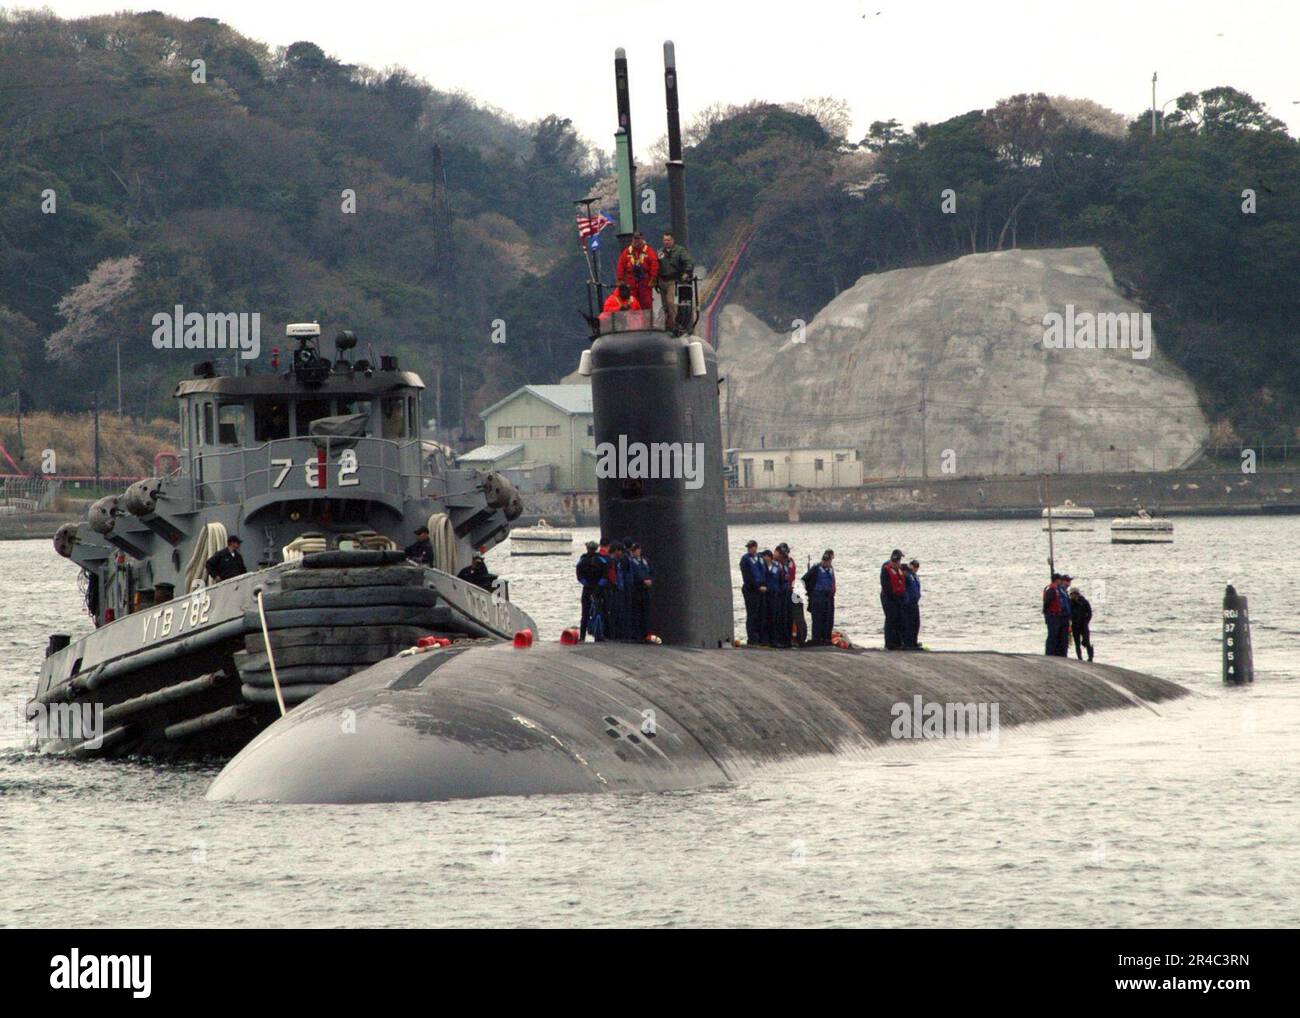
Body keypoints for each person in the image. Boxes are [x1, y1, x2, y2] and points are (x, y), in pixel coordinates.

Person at [657, 230, 695, 330]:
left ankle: (674, 324)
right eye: (664, 240)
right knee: (665, 305)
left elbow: (689, 262)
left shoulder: (680, 251)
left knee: (671, 302)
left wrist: (686, 273)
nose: (666, 242)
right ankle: (668, 323)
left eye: (668, 240)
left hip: (673, 280)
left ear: (673, 240)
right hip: (662, 281)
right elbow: (655, 265)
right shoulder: (660, 252)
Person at [616, 231, 659, 312]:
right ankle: (634, 323)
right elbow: (621, 265)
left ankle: (647, 322)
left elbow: (654, 264)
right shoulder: (627, 251)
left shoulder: (649, 250)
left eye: (638, 239)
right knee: (632, 302)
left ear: (642, 239)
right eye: (635, 239)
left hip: (645, 281)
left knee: (646, 303)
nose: (636, 241)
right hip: (631, 280)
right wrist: (620, 279)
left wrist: (653, 278)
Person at [802, 549, 836, 644]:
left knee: (828, 618)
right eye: (824, 561)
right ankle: (816, 639)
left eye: (827, 561)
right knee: (817, 619)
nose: (825, 563)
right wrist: (809, 593)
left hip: (828, 597)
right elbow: (805, 579)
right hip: (818, 597)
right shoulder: (816, 568)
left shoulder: (831, 569)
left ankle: (826, 638)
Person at [576, 540, 608, 641]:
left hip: (587, 589)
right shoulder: (601, 560)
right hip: (598, 590)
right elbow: (605, 576)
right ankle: (599, 635)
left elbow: (579, 575)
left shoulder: (583, 559)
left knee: (585, 614)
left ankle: (582, 636)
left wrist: (586, 584)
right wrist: (598, 587)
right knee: (599, 612)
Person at [779, 543, 806, 647]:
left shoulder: (788, 563)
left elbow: (789, 575)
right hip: (785, 590)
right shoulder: (787, 562)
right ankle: (789, 637)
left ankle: (792, 637)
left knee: (788, 615)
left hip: (787, 590)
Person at [880, 549, 907, 650]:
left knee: (899, 619)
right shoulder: (886, 569)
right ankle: (890, 643)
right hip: (889, 597)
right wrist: (894, 596)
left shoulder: (899, 569)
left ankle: (898, 641)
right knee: (890, 619)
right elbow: (886, 586)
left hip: (898, 598)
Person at [627, 542, 654, 640]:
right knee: (636, 613)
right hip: (637, 590)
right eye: (634, 550)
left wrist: (650, 580)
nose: (636, 552)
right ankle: (637, 636)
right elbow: (631, 577)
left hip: (646, 591)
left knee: (645, 613)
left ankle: (645, 635)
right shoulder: (630, 563)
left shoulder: (645, 561)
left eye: (637, 550)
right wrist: (642, 581)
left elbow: (651, 571)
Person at [739, 539, 764, 644]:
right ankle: (752, 638)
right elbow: (747, 576)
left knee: (759, 614)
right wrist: (757, 586)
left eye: (752, 547)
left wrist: (764, 585)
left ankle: (758, 636)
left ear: (756, 547)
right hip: (750, 590)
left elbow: (763, 571)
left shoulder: (760, 558)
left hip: (760, 590)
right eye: (749, 548)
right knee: (751, 614)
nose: (750, 549)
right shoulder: (745, 560)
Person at [1042, 572, 1072, 656]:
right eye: (1060, 580)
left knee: (1057, 635)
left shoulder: (1056, 589)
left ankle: (1056, 653)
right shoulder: (1052, 589)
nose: (1061, 581)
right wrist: (1046, 612)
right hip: (1053, 615)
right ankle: (1050, 653)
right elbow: (1047, 602)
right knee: (1053, 635)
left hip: (1056, 615)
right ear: (1057, 580)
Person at [760, 549, 782, 646]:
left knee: (774, 617)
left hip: (774, 594)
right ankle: (765, 639)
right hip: (765, 594)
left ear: (769, 557)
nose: (764, 558)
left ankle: (774, 639)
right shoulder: (762, 567)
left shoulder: (776, 567)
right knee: (765, 616)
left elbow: (779, 579)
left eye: (766, 556)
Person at [902, 559, 923, 649]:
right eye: (914, 566)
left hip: (915, 602)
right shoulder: (907, 575)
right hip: (908, 602)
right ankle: (908, 643)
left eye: (916, 567)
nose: (915, 568)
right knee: (909, 623)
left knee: (916, 623)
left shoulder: (915, 576)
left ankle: (914, 642)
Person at [1069, 585, 1094, 661]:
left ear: (1078, 594)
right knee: (1077, 643)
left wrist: (1086, 621)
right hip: (1075, 625)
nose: (1073, 595)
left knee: (1086, 641)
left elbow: (1089, 613)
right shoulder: (1070, 603)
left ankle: (1090, 657)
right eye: (1072, 594)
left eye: (1075, 594)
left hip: (1083, 624)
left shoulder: (1084, 602)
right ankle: (1080, 658)